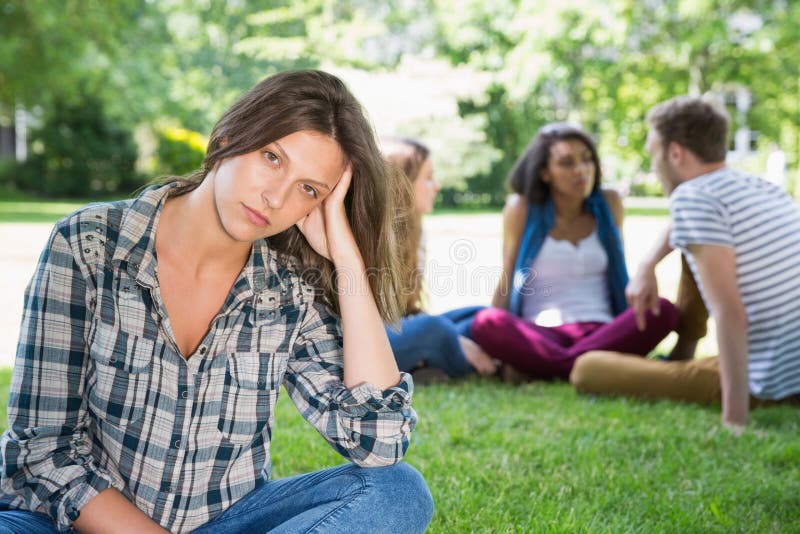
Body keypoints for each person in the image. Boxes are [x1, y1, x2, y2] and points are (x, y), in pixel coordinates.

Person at [0, 70, 433, 533]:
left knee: (397, 492)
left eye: (308, 189)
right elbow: (42, 452)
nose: (275, 196)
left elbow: (379, 443)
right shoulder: (88, 244)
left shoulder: (291, 287)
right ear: (229, 134)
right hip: (71, 525)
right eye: (272, 158)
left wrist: (348, 263)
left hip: (222, 523)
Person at [570, 96, 800, 431]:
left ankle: (682, 365)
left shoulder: (693, 199)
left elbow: (731, 314)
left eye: (653, 152)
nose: (653, 164)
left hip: (773, 378)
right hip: (789, 357)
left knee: (587, 369)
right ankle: (683, 353)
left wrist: (735, 419)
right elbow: (681, 228)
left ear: (675, 153)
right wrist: (648, 264)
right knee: (695, 248)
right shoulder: (759, 187)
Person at [469, 123, 678, 381]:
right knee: (486, 322)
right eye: (567, 163)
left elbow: (618, 269)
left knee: (663, 310)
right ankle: (589, 367)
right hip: (540, 334)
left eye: (587, 160)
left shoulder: (609, 203)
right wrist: (491, 335)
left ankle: (552, 368)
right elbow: (508, 273)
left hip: (603, 330)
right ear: (545, 173)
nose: (581, 170)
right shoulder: (521, 208)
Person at [381, 137, 497, 380]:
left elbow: (404, 313)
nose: (437, 186)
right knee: (435, 329)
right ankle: (483, 366)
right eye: (428, 178)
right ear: (401, 184)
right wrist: (451, 337)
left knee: (480, 315)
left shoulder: (414, 233)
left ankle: (425, 365)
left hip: (393, 331)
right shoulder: (371, 233)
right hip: (357, 346)